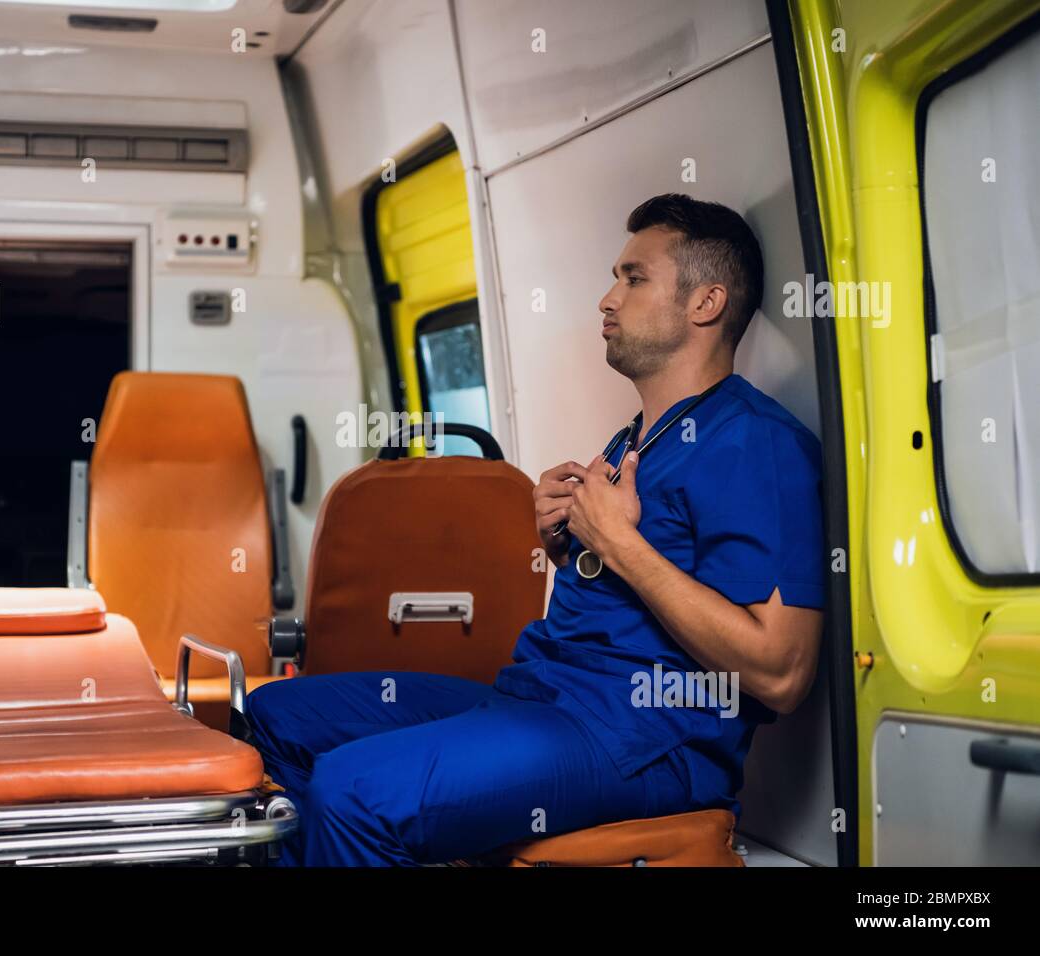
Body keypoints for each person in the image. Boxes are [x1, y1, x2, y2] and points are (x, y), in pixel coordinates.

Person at [246, 193, 826, 866]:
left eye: (634, 278)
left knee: (354, 791)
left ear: (706, 304)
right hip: (540, 695)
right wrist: (567, 547)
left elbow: (781, 672)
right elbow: (629, 597)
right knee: (276, 717)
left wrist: (618, 544)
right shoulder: (636, 438)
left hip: (640, 737)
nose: (608, 300)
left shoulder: (758, 444)